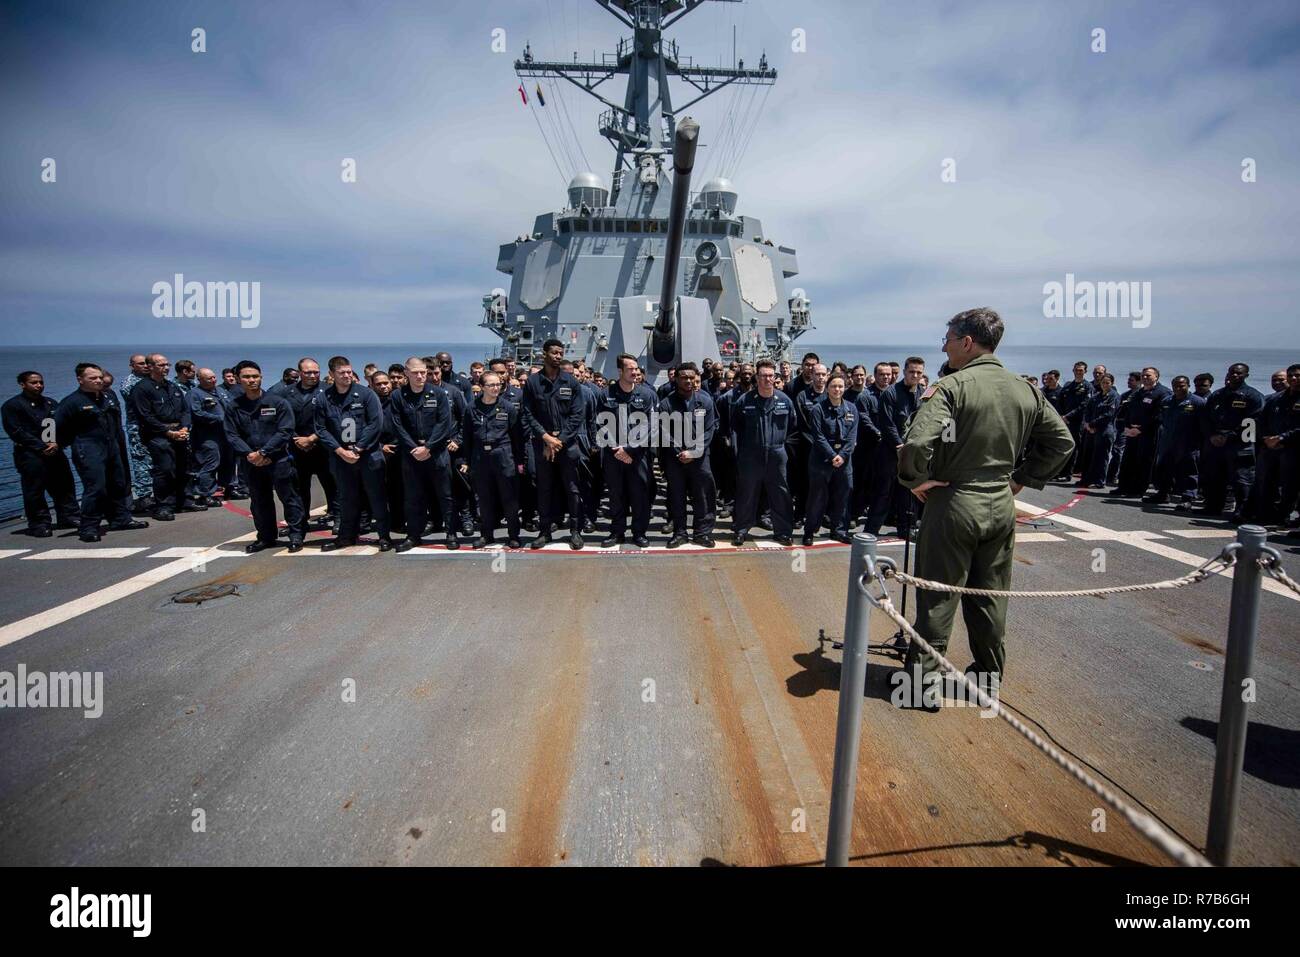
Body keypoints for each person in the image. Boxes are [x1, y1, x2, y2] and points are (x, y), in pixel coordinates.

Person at [896, 308, 1074, 709]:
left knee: (938, 596)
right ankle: (986, 682)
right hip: (1000, 505)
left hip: (954, 502)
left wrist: (915, 479)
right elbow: (1062, 443)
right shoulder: (1023, 389)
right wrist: (1020, 479)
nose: (943, 345)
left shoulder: (951, 387)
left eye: (947, 338)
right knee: (990, 598)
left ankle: (920, 688)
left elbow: (917, 444)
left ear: (966, 342)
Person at [54, 363, 149, 542]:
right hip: (88, 448)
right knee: (96, 488)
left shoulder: (107, 397)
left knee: (118, 484)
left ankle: (121, 519)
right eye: (93, 378)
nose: (98, 381)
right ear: (80, 380)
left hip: (112, 446)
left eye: (99, 377)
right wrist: (52, 444)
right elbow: (52, 425)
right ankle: (89, 527)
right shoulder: (72, 402)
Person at [223, 361, 304, 553]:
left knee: (290, 498)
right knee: (259, 501)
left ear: (261, 377)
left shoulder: (277, 403)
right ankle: (266, 537)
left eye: (255, 376)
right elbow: (231, 434)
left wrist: (265, 452)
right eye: (247, 377)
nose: (252, 380)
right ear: (238, 380)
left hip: (278, 460)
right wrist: (250, 454)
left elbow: (285, 430)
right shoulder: (234, 406)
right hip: (251, 462)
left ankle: (296, 535)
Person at [314, 356, 393, 551]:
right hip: (341, 458)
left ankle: (384, 536)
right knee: (346, 498)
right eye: (342, 373)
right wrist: (340, 451)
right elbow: (321, 428)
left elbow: (375, 424)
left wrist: (358, 448)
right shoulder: (324, 398)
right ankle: (347, 536)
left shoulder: (366, 395)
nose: (347, 376)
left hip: (368, 456)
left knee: (377, 497)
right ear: (332, 374)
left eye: (349, 372)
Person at [390, 356, 462, 552]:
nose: (421, 376)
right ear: (406, 373)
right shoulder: (398, 396)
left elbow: (444, 423)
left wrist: (428, 447)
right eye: (415, 373)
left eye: (423, 372)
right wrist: (414, 448)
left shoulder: (438, 394)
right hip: (411, 455)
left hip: (437, 454)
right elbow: (397, 425)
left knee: (445, 496)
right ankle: (413, 535)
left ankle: (451, 533)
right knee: (413, 497)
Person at [522, 339, 587, 550]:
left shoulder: (571, 382)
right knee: (544, 489)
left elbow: (578, 414)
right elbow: (528, 413)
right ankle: (544, 531)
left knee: (572, 488)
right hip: (543, 445)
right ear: (544, 354)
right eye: (554, 353)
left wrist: (560, 440)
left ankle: (575, 531)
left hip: (566, 446)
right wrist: (546, 437)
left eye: (561, 353)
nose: (558, 356)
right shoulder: (533, 382)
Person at [2, 371, 80, 536]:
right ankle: (39, 523)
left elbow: (59, 424)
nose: (39, 386)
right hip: (29, 453)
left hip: (54, 450)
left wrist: (57, 442)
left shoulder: (50, 403)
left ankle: (68, 516)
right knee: (34, 490)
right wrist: (40, 446)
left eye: (40, 382)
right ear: (23, 384)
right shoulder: (13, 406)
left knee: (64, 485)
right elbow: (16, 431)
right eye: (34, 382)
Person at [731, 359, 795, 546]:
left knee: (780, 493)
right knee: (746, 493)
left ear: (775, 377)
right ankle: (741, 529)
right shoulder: (745, 401)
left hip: (776, 454)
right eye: (763, 376)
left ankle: (783, 531)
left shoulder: (784, 401)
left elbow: (793, 427)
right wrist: (739, 454)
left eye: (770, 376)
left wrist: (783, 450)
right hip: (751, 455)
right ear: (756, 378)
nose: (767, 379)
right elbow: (735, 428)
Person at [595, 354, 658, 547]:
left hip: (638, 456)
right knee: (616, 495)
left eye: (636, 368)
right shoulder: (605, 394)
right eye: (630, 368)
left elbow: (651, 426)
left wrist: (630, 449)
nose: (635, 372)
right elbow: (599, 424)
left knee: (640, 495)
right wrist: (618, 449)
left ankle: (639, 533)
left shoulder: (646, 395)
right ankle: (617, 532)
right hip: (614, 455)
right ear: (620, 371)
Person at [270, 358, 337, 529]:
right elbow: (281, 419)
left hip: (323, 446)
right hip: (297, 447)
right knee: (299, 488)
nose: (313, 375)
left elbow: (333, 419)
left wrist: (313, 438)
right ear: (300, 373)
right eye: (308, 372)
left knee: (332, 485)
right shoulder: (286, 393)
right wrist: (295, 438)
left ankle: (339, 519)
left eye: (316, 372)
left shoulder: (329, 391)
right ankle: (301, 522)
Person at [131, 354, 199, 520]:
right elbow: (145, 416)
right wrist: (167, 432)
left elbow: (184, 410)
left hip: (179, 432)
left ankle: (184, 501)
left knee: (184, 468)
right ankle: (163, 506)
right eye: (161, 365)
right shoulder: (142, 389)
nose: (166, 368)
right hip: (158, 436)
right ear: (150, 367)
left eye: (167, 365)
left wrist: (184, 427)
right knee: (165, 470)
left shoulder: (172, 387)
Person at [462, 371, 524, 548]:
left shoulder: (508, 408)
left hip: (503, 456)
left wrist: (519, 462)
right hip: (481, 458)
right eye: (491, 385)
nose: (496, 388)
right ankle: (486, 535)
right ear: (482, 387)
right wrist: (467, 461)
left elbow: (517, 436)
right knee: (485, 499)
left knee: (509, 499)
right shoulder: (471, 408)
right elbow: (467, 437)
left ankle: (513, 535)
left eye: (498, 384)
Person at [659, 362, 717, 547]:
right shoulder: (666, 403)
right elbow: (663, 431)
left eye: (692, 377)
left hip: (700, 458)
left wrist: (694, 452)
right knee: (677, 496)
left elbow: (709, 429)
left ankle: (702, 533)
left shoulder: (705, 401)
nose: (689, 381)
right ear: (676, 379)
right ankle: (680, 533)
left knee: (703, 496)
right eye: (684, 377)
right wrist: (681, 453)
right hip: (676, 458)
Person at [1198, 363, 1265, 522]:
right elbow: (1205, 418)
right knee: (1214, 477)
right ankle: (1213, 507)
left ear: (1246, 375)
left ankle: (1243, 511)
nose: (1234, 376)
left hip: (1240, 445)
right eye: (1232, 373)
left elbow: (1253, 422)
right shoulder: (1218, 395)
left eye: (1238, 373)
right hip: (1215, 444)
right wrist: (1212, 435)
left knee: (1242, 480)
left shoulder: (1253, 396)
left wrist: (1229, 436)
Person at [803, 372, 859, 544]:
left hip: (844, 461)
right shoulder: (818, 409)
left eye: (840, 386)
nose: (837, 389)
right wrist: (832, 455)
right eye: (834, 386)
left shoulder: (851, 409)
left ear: (845, 388)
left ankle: (839, 530)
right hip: (822, 460)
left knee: (844, 494)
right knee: (817, 496)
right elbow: (818, 436)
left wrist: (841, 456)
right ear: (827, 388)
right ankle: (810, 531)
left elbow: (852, 437)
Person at [1249, 364, 1300, 525]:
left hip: (1294, 448)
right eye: (1291, 375)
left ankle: (1285, 517)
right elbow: (1261, 420)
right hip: (1271, 447)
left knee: (1291, 487)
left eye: (1297, 375)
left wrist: (1282, 438)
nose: (1293, 378)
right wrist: (1267, 438)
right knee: (1267, 482)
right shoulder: (1275, 399)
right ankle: (1267, 515)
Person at [1111, 367, 1172, 498]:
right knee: (1128, 460)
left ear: (1156, 377)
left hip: (1149, 434)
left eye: (1148, 376)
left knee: (1144, 462)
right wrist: (1127, 427)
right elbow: (1128, 410)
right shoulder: (1138, 393)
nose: (1145, 378)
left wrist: (1140, 429)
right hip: (1132, 433)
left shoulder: (1163, 393)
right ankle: (1123, 487)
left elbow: (1159, 415)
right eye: (1143, 376)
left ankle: (1138, 489)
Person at [1146, 375, 1204, 507]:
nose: (1178, 388)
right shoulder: (1167, 401)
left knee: (1189, 472)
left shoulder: (1197, 402)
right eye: (1175, 386)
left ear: (1188, 386)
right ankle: (1163, 493)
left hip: (1188, 443)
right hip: (1168, 441)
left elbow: (1204, 425)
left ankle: (1187, 498)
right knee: (1164, 469)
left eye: (1181, 386)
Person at [369, 371, 406, 534]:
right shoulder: (369, 402)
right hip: (376, 450)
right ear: (371, 385)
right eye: (379, 384)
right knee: (377, 490)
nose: (384, 386)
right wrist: (380, 445)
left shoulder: (399, 400)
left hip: (399, 450)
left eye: (386, 383)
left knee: (399, 489)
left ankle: (398, 522)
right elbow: (364, 428)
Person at [185, 368, 226, 507]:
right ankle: (204, 494)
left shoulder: (219, 391)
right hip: (205, 435)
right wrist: (219, 419)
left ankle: (219, 489)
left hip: (222, 433)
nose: (213, 380)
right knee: (210, 463)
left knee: (220, 462)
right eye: (209, 379)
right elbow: (196, 413)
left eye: (214, 377)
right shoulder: (194, 394)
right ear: (200, 379)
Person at [119, 353, 155, 512]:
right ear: (132, 366)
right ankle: (144, 498)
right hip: (138, 428)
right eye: (141, 364)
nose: (145, 366)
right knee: (142, 463)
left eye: (147, 363)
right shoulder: (130, 384)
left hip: (155, 428)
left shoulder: (152, 381)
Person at [1077, 373, 1119, 488]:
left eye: (1107, 383)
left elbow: (1108, 415)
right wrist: (1087, 424)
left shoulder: (1113, 396)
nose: (1104, 385)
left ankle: (1099, 481)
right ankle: (1086, 479)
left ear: (1112, 383)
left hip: (1104, 430)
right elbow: (1087, 411)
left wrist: (1092, 424)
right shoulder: (1096, 396)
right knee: (1088, 455)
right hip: (1090, 430)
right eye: (1103, 382)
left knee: (1101, 457)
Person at [1055, 362, 1093, 479]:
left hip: (1077, 422)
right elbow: (1060, 401)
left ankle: (1068, 473)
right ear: (1073, 370)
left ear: (1085, 372)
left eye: (1081, 370)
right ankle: (1060, 471)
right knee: (1063, 446)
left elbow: (1084, 405)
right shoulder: (1068, 386)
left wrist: (1068, 416)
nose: (1078, 372)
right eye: (1076, 370)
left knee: (1073, 447)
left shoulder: (1088, 387)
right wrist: (1062, 415)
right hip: (1064, 421)